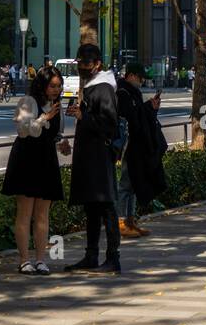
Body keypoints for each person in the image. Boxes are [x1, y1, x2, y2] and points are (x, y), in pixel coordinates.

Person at [2, 66, 71, 274]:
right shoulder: (27, 102)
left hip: (46, 158)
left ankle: (41, 260)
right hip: (26, 157)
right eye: (52, 86)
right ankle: (24, 260)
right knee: (25, 212)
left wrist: (63, 143)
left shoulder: (57, 106)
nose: (56, 90)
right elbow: (23, 131)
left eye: (59, 86)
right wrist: (44, 118)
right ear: (42, 84)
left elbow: (56, 134)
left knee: (42, 213)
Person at [65, 43, 121, 275]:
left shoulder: (103, 87)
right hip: (90, 155)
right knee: (92, 207)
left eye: (86, 64)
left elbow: (109, 124)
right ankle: (91, 255)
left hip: (98, 156)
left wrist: (83, 115)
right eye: (80, 64)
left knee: (105, 206)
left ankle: (112, 258)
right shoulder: (93, 86)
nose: (82, 68)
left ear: (97, 64)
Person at [116, 63, 168, 236]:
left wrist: (149, 107)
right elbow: (131, 116)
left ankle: (130, 221)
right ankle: (122, 221)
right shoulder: (123, 93)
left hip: (136, 143)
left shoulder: (132, 93)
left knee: (133, 182)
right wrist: (147, 108)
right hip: (128, 143)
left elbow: (137, 114)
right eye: (140, 77)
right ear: (130, 75)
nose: (142, 81)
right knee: (126, 183)